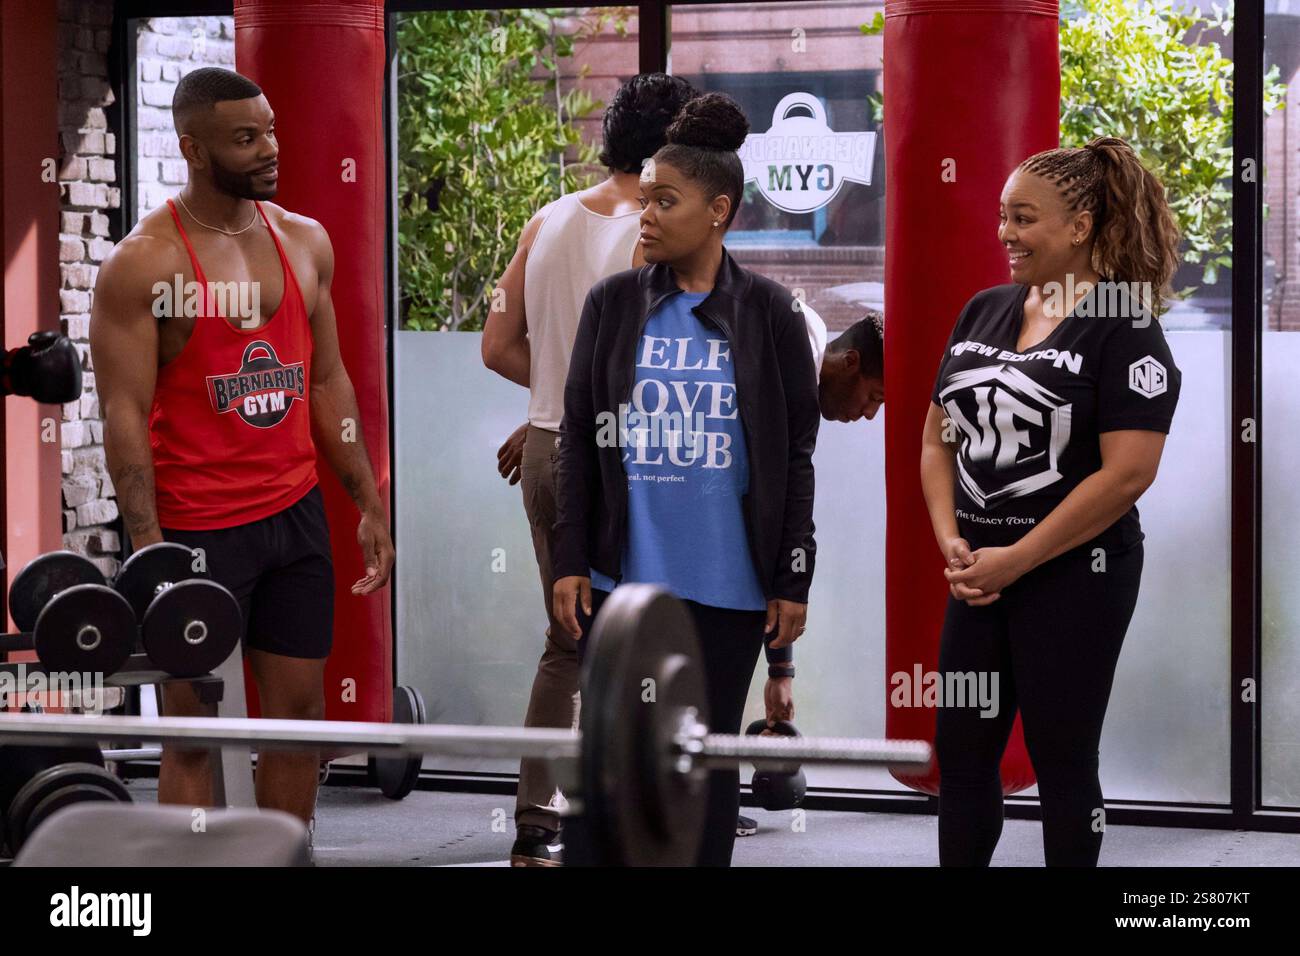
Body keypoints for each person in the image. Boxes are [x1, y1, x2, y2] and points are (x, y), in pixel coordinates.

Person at [91, 68, 395, 831]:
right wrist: (150, 549)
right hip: (195, 529)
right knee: (192, 734)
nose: (270, 149)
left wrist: (367, 500)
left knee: (296, 722)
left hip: (292, 517)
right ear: (193, 148)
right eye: (246, 138)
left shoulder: (304, 241)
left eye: (270, 130)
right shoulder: (144, 264)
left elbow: (327, 383)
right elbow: (123, 414)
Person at [551, 91, 821, 867]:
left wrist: (792, 574)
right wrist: (571, 559)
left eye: (666, 201)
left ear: (719, 211)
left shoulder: (770, 312)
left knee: (705, 772)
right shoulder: (612, 305)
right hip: (623, 579)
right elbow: (578, 437)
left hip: (730, 590)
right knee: (613, 767)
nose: (647, 215)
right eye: (645, 199)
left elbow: (795, 456)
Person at [920, 135, 1182, 866]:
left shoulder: (1126, 326)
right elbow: (937, 441)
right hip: (978, 578)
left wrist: (1019, 560)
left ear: (1081, 224)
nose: (1006, 233)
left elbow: (1128, 474)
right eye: (1004, 216)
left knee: (1062, 760)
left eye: (1025, 218)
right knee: (963, 756)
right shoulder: (982, 310)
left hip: (1077, 578)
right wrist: (952, 539)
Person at [482, 73, 698, 866]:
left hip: (547, 447)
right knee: (650, 640)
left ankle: (537, 821)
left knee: (567, 641)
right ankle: (635, 817)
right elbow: (658, 364)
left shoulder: (548, 221)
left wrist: (550, 404)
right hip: (624, 453)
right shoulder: (659, 227)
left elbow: (498, 346)